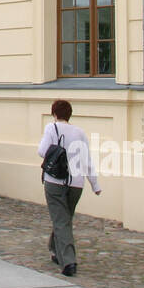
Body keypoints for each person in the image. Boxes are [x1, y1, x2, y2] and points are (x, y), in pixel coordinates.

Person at [37, 99, 101, 277]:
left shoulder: (51, 128)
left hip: (55, 181)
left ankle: (69, 262)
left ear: (54, 113)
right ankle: (54, 249)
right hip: (76, 183)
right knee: (64, 218)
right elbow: (87, 160)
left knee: (61, 220)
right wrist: (95, 184)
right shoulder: (79, 132)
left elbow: (42, 151)